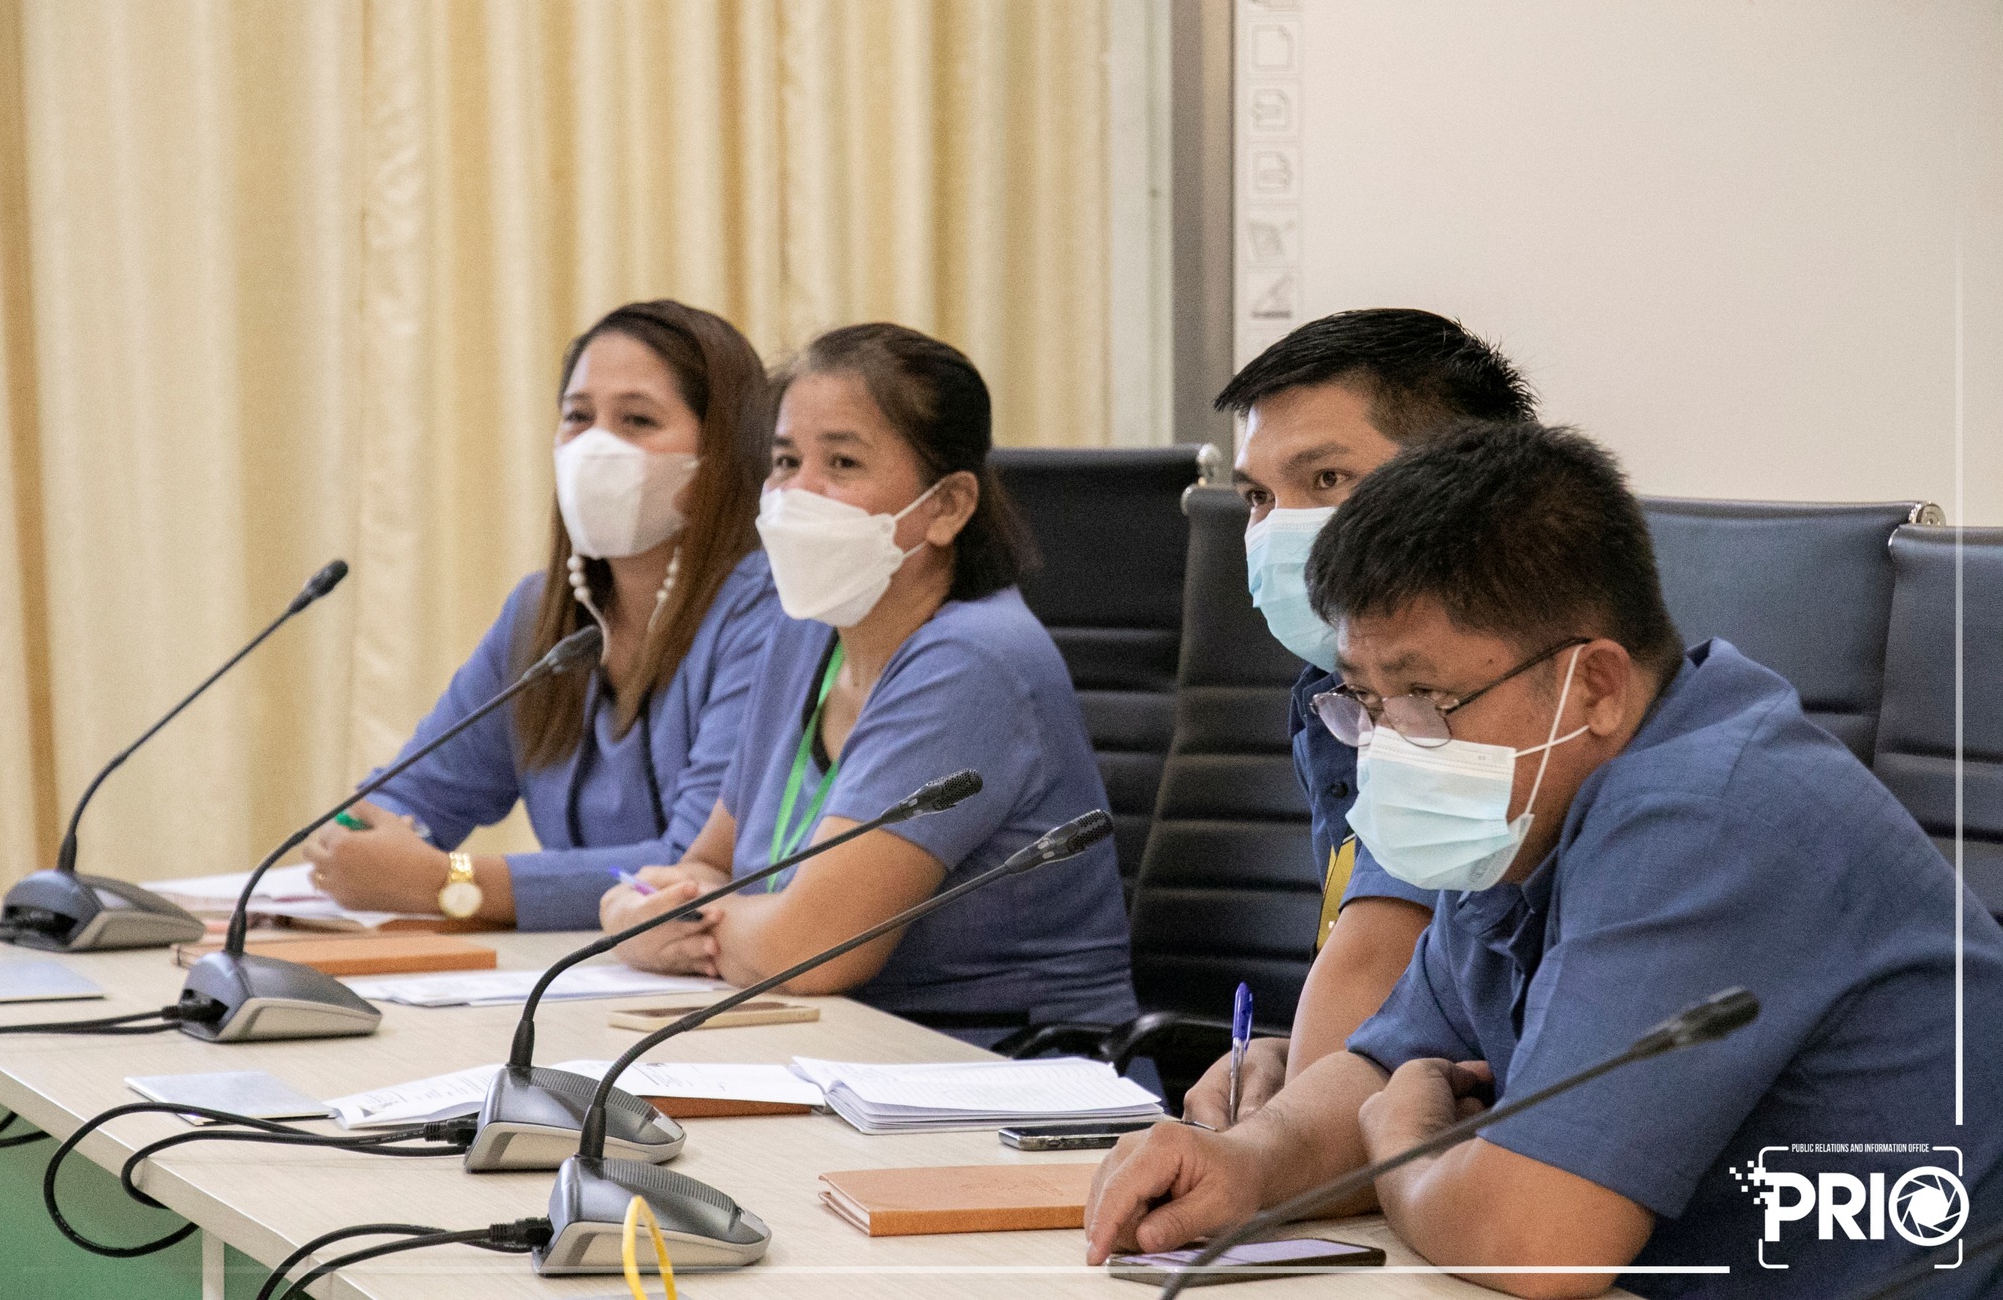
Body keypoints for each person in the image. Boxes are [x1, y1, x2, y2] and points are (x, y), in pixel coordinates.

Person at [1086, 423, 2003, 1298]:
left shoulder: (1706, 814)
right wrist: (1245, 1162)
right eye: (1365, 699)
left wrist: (1403, 1148)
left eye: (1426, 698)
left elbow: (1538, 1241)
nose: (1387, 745)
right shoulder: (1528, 814)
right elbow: (1381, 1062)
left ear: (1594, 685)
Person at [601, 322, 1136, 1041]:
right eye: (786, 460)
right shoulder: (803, 635)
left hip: (998, 1075)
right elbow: (704, 861)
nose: (798, 492)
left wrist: (676, 925)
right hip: (825, 1048)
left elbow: (809, 949)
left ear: (947, 506)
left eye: (843, 463)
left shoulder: (973, 660)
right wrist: (638, 909)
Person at [302, 301, 782, 931]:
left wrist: (451, 884)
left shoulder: (770, 612)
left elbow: (691, 869)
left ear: (722, 453)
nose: (595, 445)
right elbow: (409, 798)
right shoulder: (540, 613)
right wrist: (366, 838)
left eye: (637, 420)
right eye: (577, 418)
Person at [1190, 309, 1535, 1126]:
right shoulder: (1330, 699)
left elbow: (1377, 962)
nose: (1277, 530)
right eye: (1258, 496)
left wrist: (1281, 1129)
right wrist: (1295, 1054)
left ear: (1471, 495)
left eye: (1327, 481)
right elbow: (1393, 993)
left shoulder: (1483, 699)